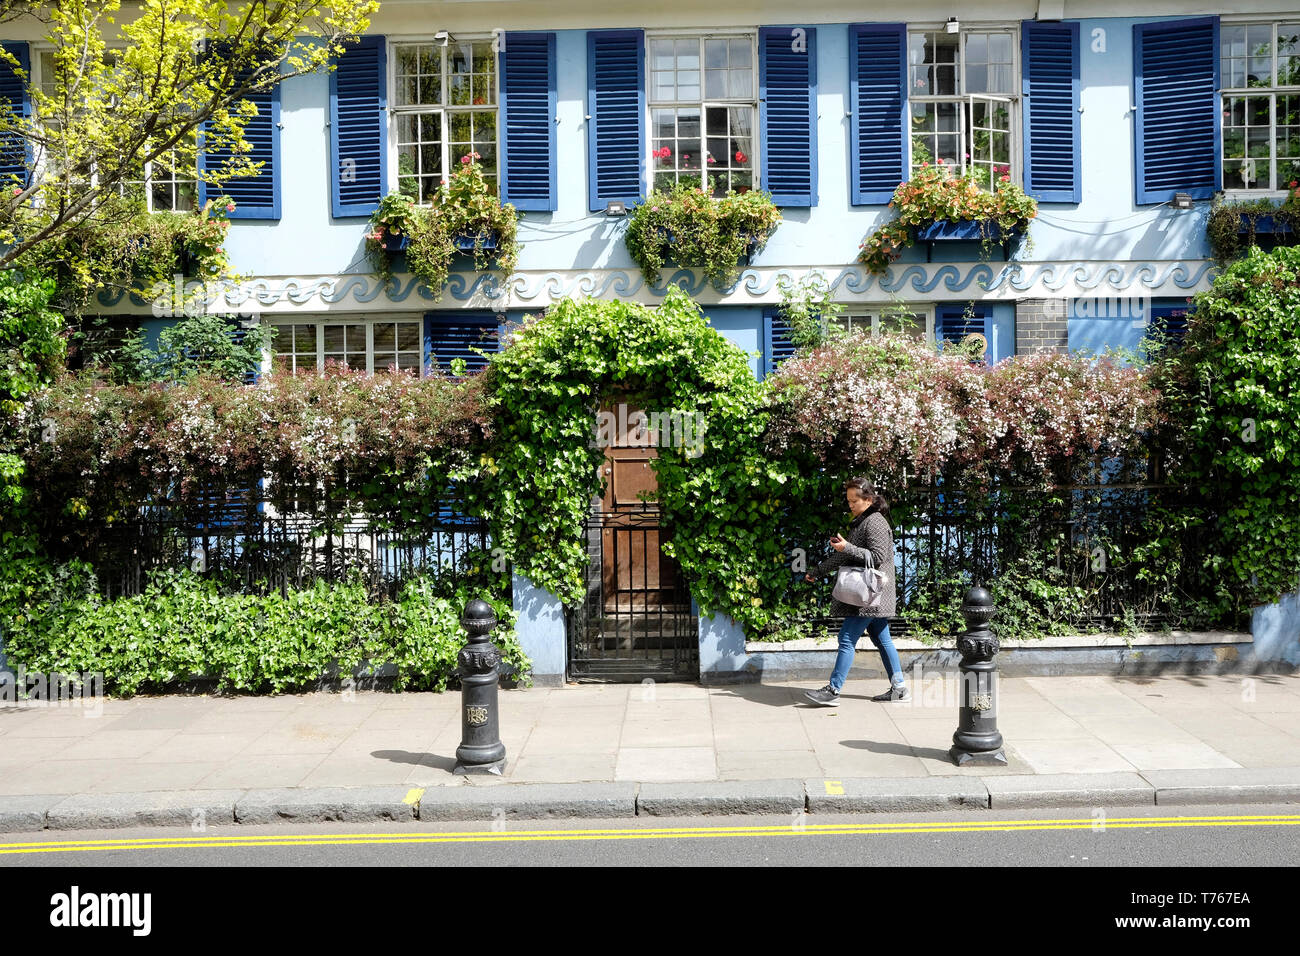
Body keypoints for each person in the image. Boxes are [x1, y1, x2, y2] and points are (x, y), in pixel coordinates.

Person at [802, 477, 908, 705]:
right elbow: (845, 556)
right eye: (848, 501)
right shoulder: (863, 521)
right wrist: (818, 571)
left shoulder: (875, 522)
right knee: (881, 638)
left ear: (868, 500)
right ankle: (899, 689)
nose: (850, 505)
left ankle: (833, 690)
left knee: (847, 637)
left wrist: (848, 547)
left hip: (871, 594)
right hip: (872, 595)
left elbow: (878, 557)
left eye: (854, 501)